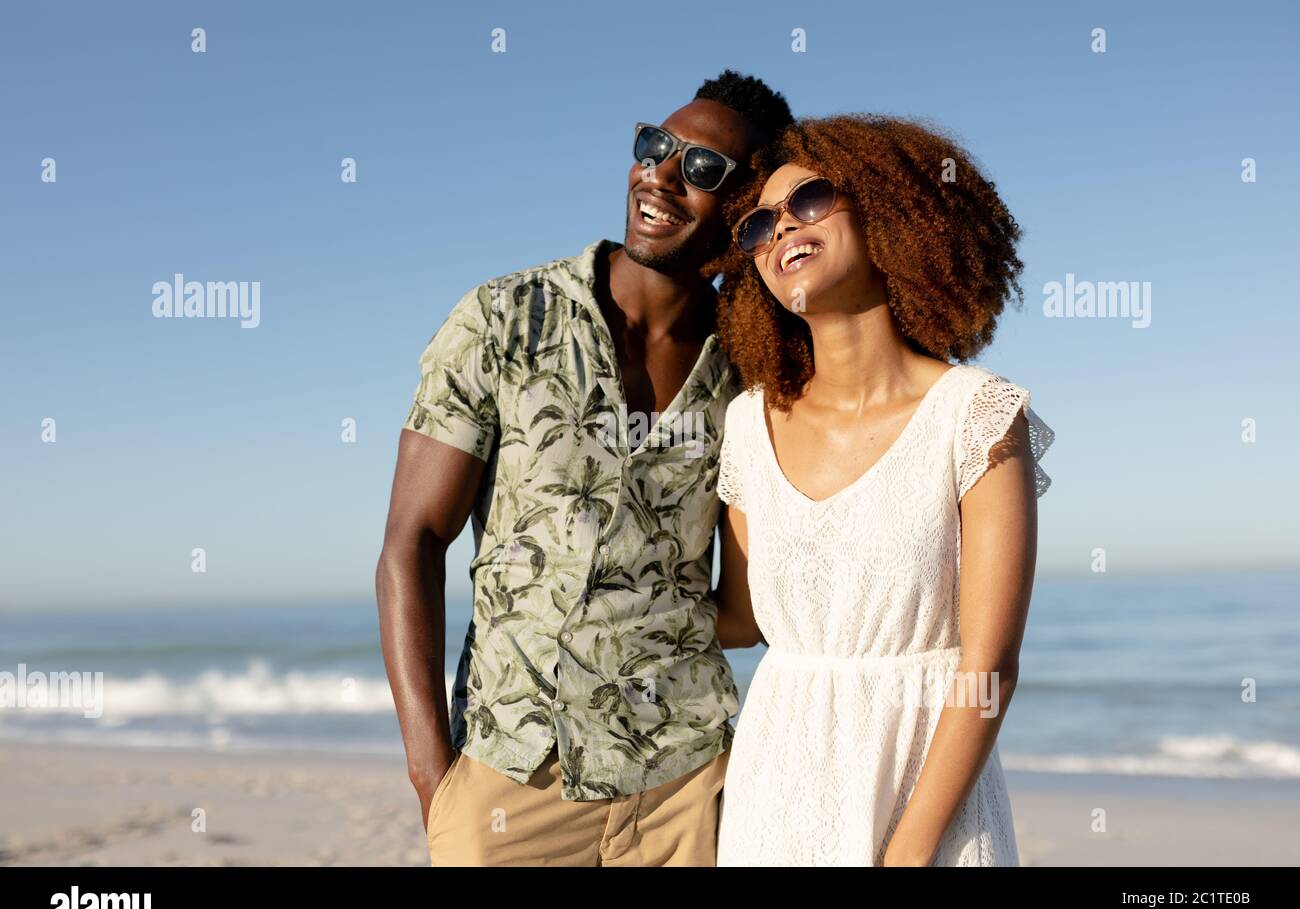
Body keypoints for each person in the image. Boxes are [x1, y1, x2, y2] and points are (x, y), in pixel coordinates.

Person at [376, 71, 793, 866]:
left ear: (744, 210)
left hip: (688, 784)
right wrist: (435, 778)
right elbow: (412, 540)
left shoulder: (751, 366)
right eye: (654, 147)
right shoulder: (503, 318)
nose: (661, 176)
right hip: (515, 781)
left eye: (702, 168)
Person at [710, 115, 1054, 866]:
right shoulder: (745, 424)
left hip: (930, 802)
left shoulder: (977, 415)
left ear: (887, 209)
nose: (780, 231)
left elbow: (989, 668)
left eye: (809, 202)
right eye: (760, 224)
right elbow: (737, 619)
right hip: (775, 795)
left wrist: (910, 848)